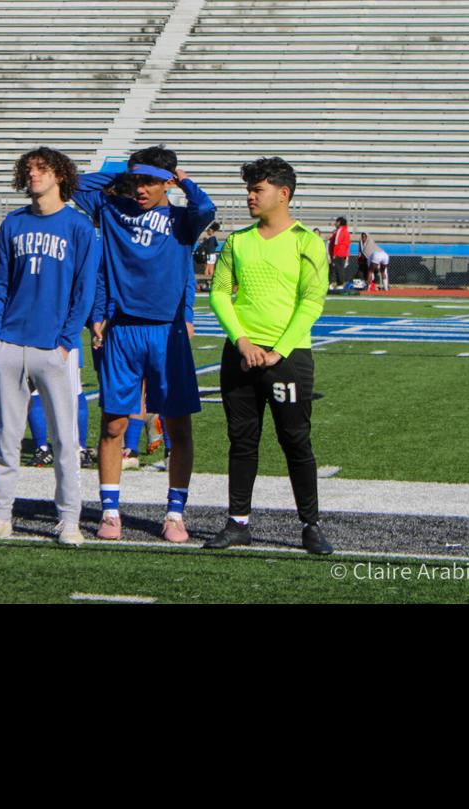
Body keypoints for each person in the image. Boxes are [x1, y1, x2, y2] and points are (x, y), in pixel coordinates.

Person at [73, 145, 215, 542]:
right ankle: (110, 511)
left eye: (150, 182)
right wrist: (126, 171)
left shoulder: (183, 219)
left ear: (167, 183)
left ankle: (175, 513)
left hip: (167, 332)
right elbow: (76, 185)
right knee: (114, 423)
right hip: (121, 330)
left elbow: (207, 208)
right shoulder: (111, 208)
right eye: (136, 181)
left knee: (178, 426)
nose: (140, 189)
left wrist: (182, 179)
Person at [0, 146, 98, 547]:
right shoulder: (13, 222)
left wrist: (66, 340)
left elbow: (84, 289)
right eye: (28, 169)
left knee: (65, 441)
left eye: (41, 169)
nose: (33, 175)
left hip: (54, 347)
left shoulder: (79, 226)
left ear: (60, 175)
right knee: (6, 438)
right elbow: (0, 285)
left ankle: (69, 520)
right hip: (10, 343)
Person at [203, 157, 332, 555]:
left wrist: (278, 350)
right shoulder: (237, 241)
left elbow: (312, 301)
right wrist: (241, 341)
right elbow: (219, 294)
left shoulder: (306, 241)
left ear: (283, 193)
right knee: (241, 440)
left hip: (288, 358)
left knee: (295, 440)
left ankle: (310, 525)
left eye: (258, 190)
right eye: (249, 190)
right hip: (240, 356)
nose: (250, 197)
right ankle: (237, 522)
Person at [329, 216, 352, 290]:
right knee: (339, 269)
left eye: (336, 222)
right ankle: (339, 284)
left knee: (338, 269)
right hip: (342, 253)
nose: (335, 223)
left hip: (339, 253)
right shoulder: (345, 231)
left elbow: (337, 243)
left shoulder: (340, 231)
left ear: (339, 222)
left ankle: (339, 284)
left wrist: (334, 254)